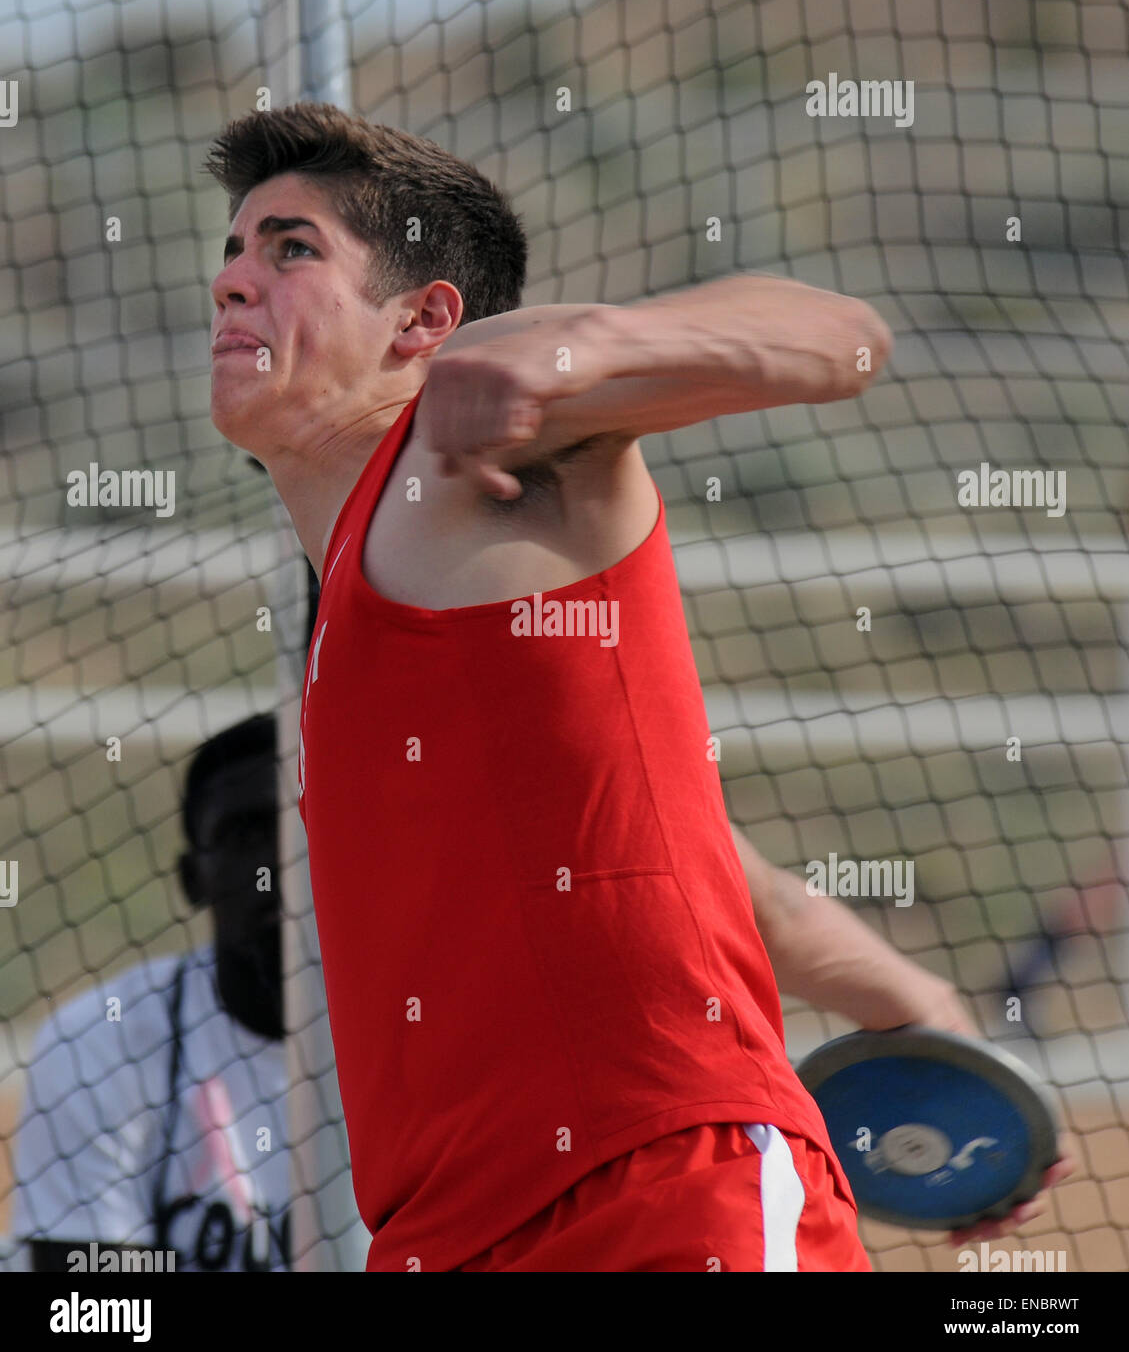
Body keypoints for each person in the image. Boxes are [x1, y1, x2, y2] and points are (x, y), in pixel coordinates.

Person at [204, 102, 1067, 1271]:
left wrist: (575, 349)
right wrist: (913, 1005)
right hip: (452, 1243)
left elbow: (839, 332)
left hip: (659, 1196)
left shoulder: (479, 455)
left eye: (290, 248)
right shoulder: (349, 614)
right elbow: (717, 871)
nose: (234, 282)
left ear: (425, 321)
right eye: (233, 251)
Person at [11, 716, 290, 1272]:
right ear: (193, 880)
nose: (278, 865)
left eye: (305, 824)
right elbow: (85, 1310)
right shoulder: (97, 1046)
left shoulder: (438, 1043)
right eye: (245, 835)